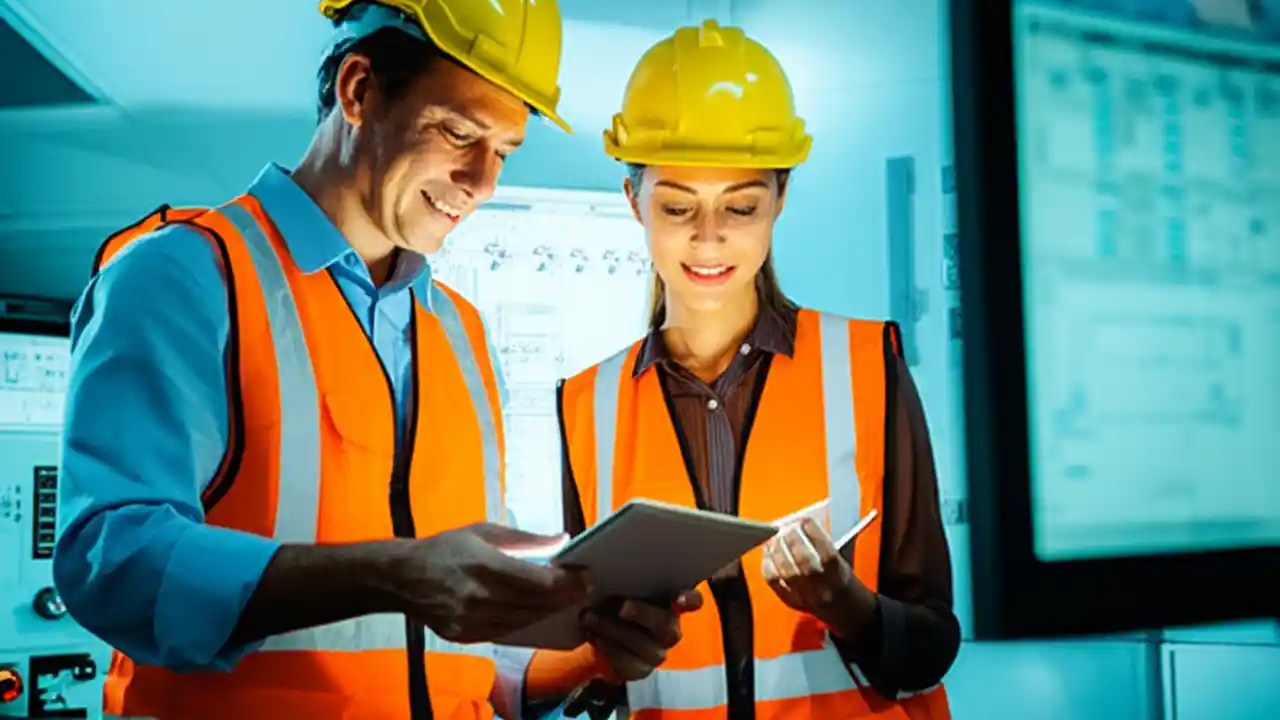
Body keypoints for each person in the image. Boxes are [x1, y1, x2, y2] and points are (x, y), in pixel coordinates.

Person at [51, 2, 697, 718]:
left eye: (504, 152)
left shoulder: (461, 331)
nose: (482, 181)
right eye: (458, 132)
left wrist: (590, 654)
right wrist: (393, 574)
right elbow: (112, 562)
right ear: (358, 90)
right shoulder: (188, 277)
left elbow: (472, 665)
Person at [523, 19, 960, 720]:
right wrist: (595, 661)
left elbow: (933, 643)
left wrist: (846, 604)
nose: (708, 237)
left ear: (780, 198)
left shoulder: (866, 367)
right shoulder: (585, 404)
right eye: (677, 206)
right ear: (633, 200)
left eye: (741, 206)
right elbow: (596, 663)